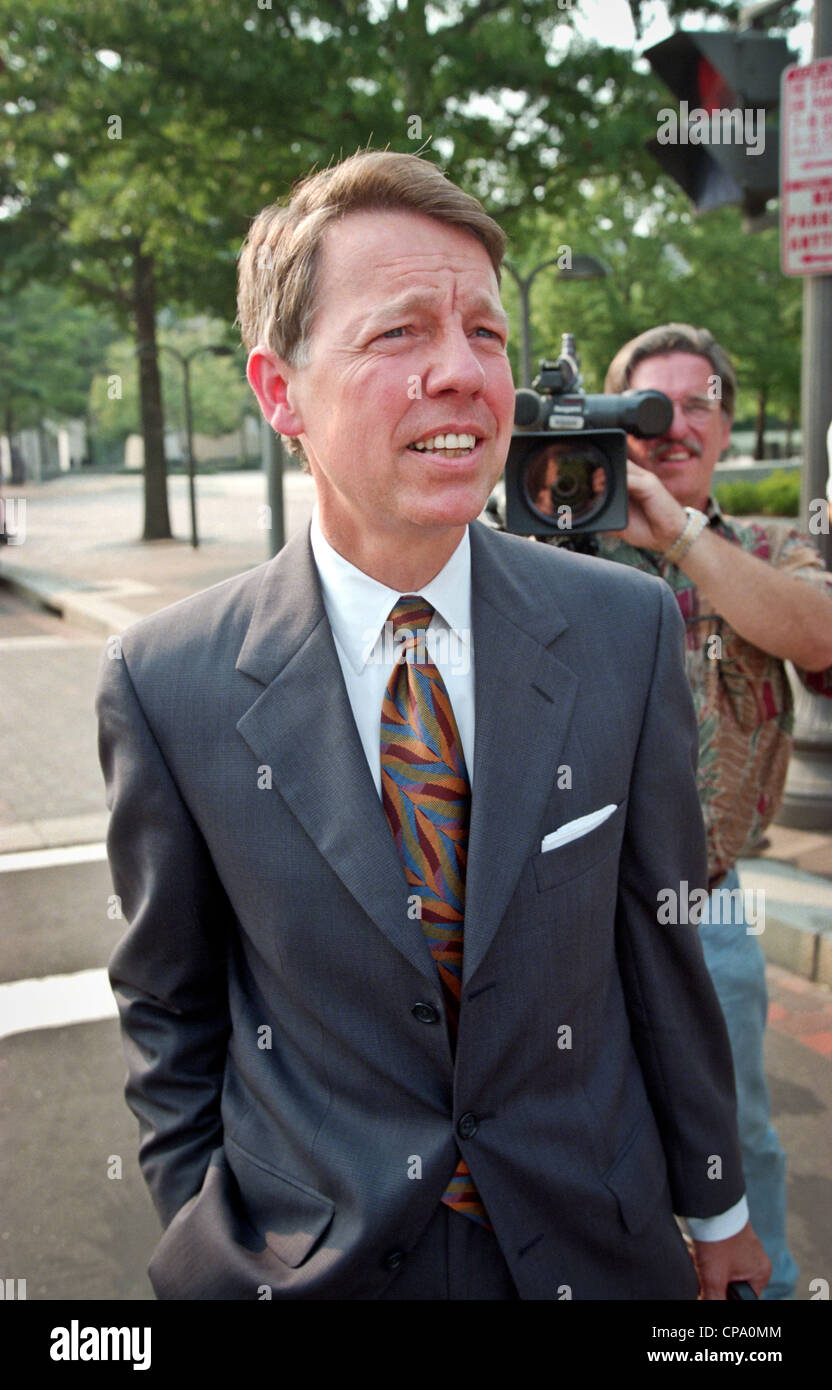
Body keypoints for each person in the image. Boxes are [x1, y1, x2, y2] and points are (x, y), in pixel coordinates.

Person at [96, 154, 769, 1301]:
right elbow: (173, 1007)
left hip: (597, 1253)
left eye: (485, 334)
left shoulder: (623, 628)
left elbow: (660, 950)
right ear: (279, 392)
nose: (461, 372)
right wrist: (215, 1232)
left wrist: (716, 1207)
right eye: (399, 334)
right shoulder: (170, 683)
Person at [595, 323, 832, 1300]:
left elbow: (812, 629)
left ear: (727, 424)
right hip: (564, 911)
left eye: (698, 403)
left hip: (707, 902)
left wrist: (681, 537)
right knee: (579, 1136)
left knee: (732, 1134)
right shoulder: (553, 536)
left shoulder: (770, 552)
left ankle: (756, 1309)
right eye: (649, 406)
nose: (674, 425)